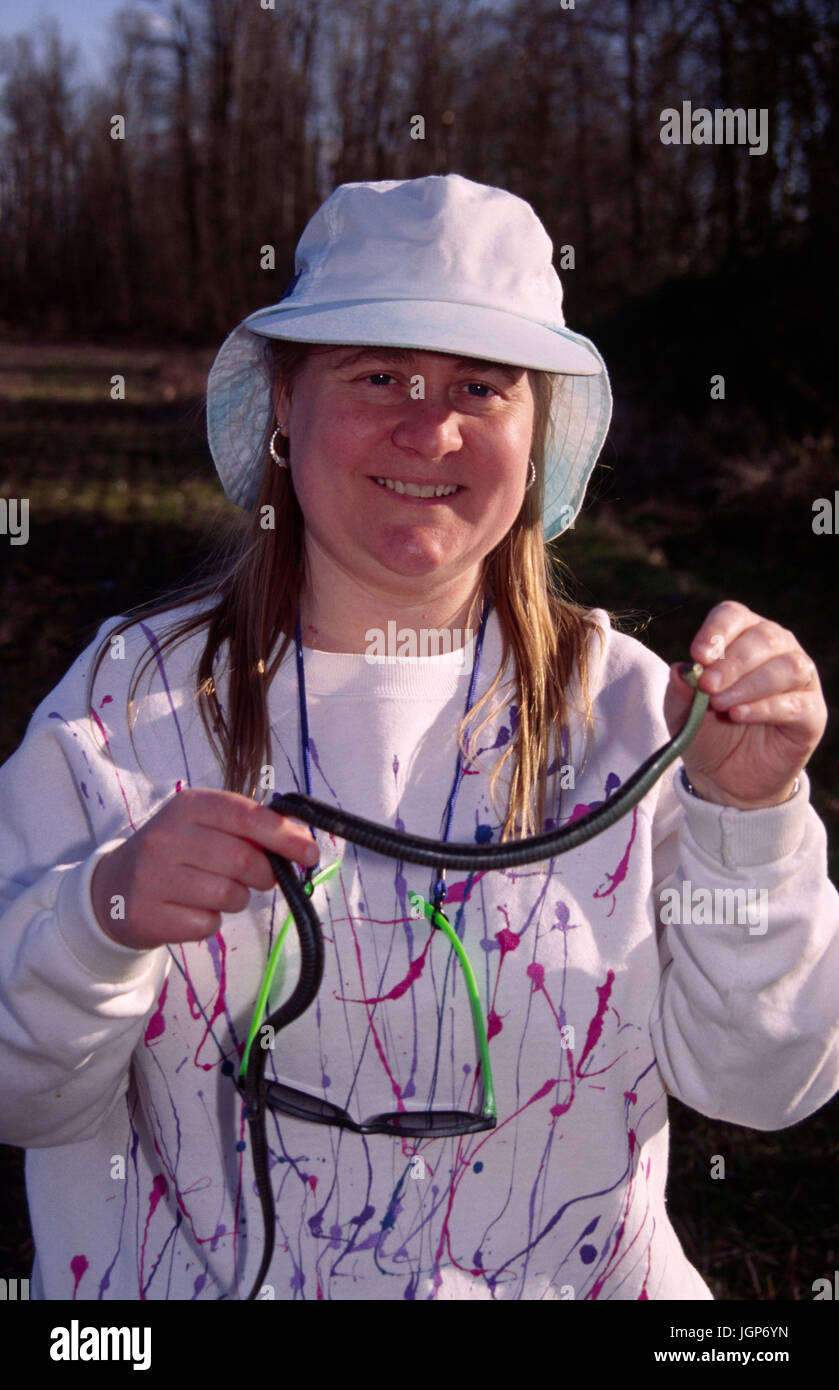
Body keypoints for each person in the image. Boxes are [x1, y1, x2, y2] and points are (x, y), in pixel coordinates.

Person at [0, 174, 836, 1302]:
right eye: (378, 373)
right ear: (284, 404)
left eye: (480, 387)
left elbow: (764, 1083)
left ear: (536, 434)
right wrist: (100, 916)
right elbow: (18, 1094)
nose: (427, 426)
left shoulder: (640, 717)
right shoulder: (124, 705)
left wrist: (748, 818)